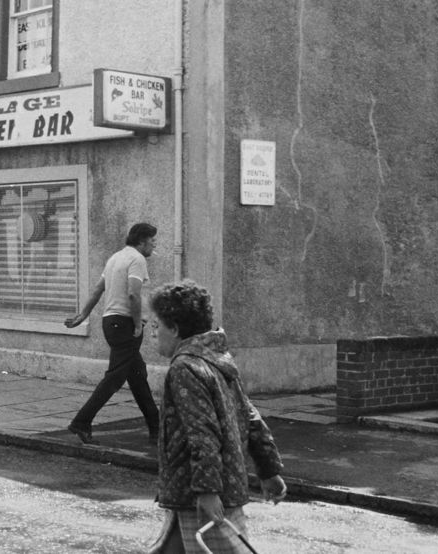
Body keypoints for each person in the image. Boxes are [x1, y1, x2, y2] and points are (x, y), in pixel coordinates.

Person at [147, 280, 286, 553]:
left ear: (174, 328)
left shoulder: (185, 367)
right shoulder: (218, 359)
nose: (153, 334)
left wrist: (207, 491)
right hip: (204, 489)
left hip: (198, 494)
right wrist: (269, 470)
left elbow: (202, 433)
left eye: (156, 326)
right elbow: (249, 415)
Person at [64, 222, 160, 444]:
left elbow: (98, 290)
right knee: (115, 377)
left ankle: (156, 427)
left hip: (111, 322)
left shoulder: (115, 258)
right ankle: (81, 421)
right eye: (152, 241)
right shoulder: (137, 259)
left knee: (137, 376)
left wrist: (83, 315)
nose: (154, 245)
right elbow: (134, 295)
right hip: (126, 322)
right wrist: (137, 324)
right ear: (142, 241)